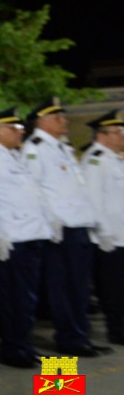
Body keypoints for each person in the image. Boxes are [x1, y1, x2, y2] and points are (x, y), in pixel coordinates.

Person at [23, 97, 112, 357]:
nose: (64, 121)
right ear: (43, 121)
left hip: (78, 225)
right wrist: (52, 220)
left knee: (79, 287)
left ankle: (80, 334)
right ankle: (70, 339)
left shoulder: (61, 147)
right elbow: (35, 189)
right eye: (58, 117)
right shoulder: (35, 148)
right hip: (60, 230)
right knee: (64, 287)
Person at [0, 107, 49, 368]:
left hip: (28, 237)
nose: (22, 132)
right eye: (16, 129)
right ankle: (13, 349)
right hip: (11, 241)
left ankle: (24, 344)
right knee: (12, 299)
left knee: (26, 299)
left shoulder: (11, 156)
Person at [83, 110, 124, 345]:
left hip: (121, 235)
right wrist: (104, 232)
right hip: (109, 238)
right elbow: (93, 200)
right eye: (117, 132)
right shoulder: (96, 159)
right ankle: (117, 330)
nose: (122, 136)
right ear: (102, 135)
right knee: (114, 289)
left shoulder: (115, 159)